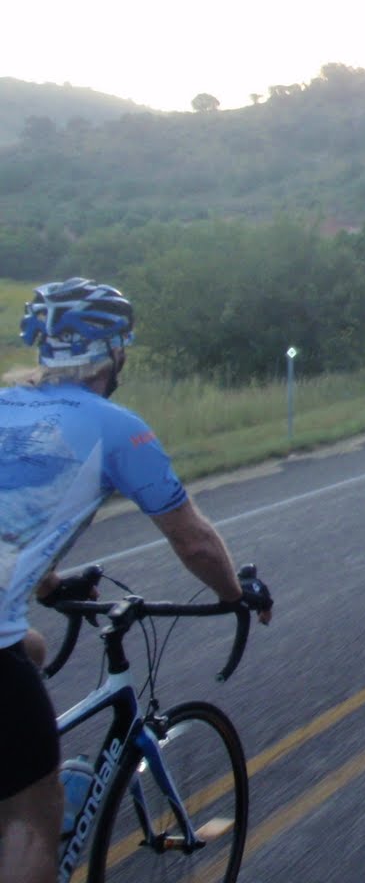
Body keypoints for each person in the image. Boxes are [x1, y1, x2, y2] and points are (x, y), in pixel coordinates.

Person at [1, 279, 274, 883]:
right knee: (31, 818)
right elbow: (195, 541)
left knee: (33, 649)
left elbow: (15, 518)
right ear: (115, 352)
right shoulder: (114, 426)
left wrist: (46, 587)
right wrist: (235, 594)